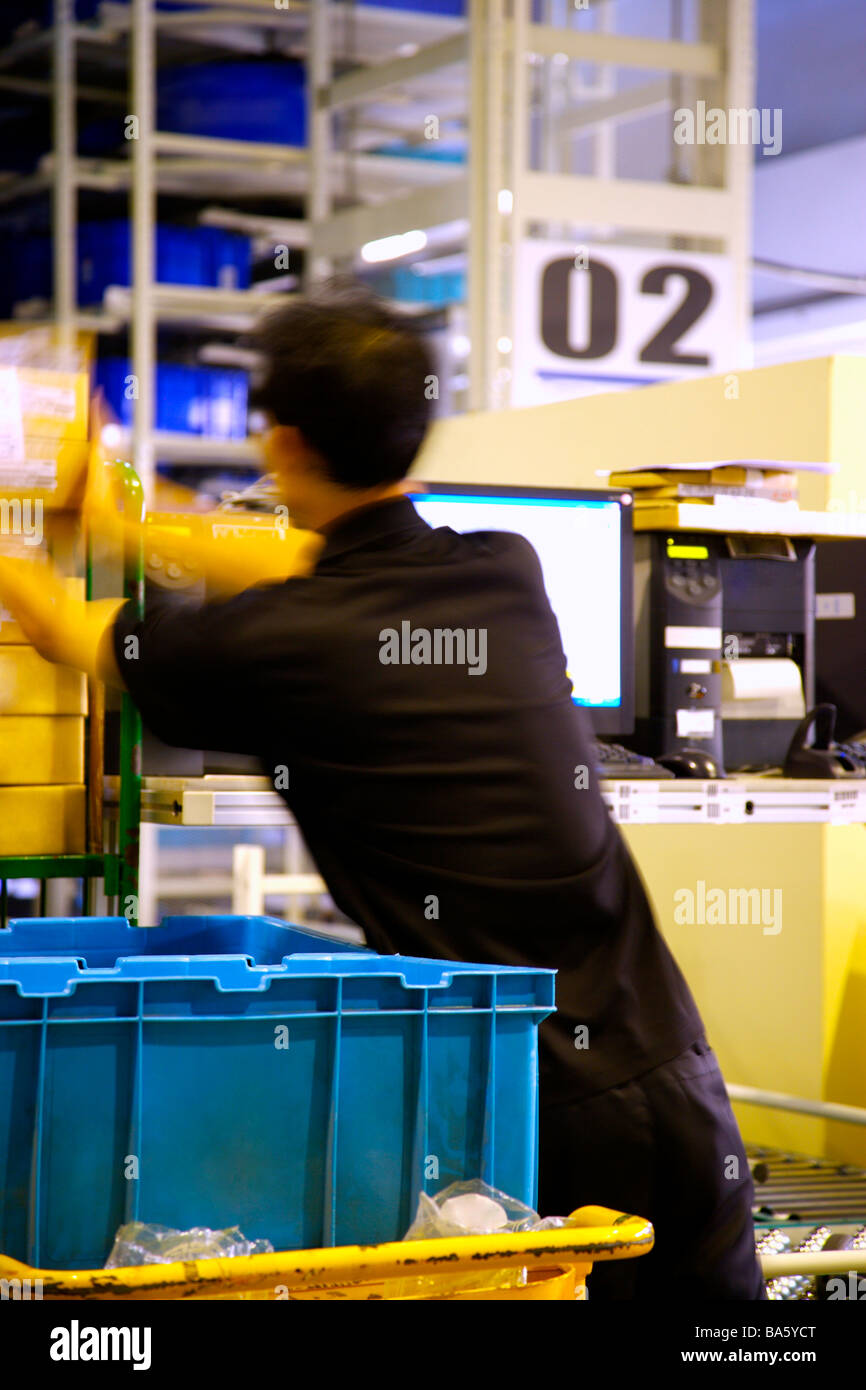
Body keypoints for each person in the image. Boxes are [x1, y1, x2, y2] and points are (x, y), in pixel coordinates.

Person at [0, 284, 764, 1300]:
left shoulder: (274, 645)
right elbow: (303, 560)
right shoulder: (505, 568)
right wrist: (121, 514)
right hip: (673, 1078)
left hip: (523, 1124)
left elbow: (62, 627)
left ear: (279, 447)